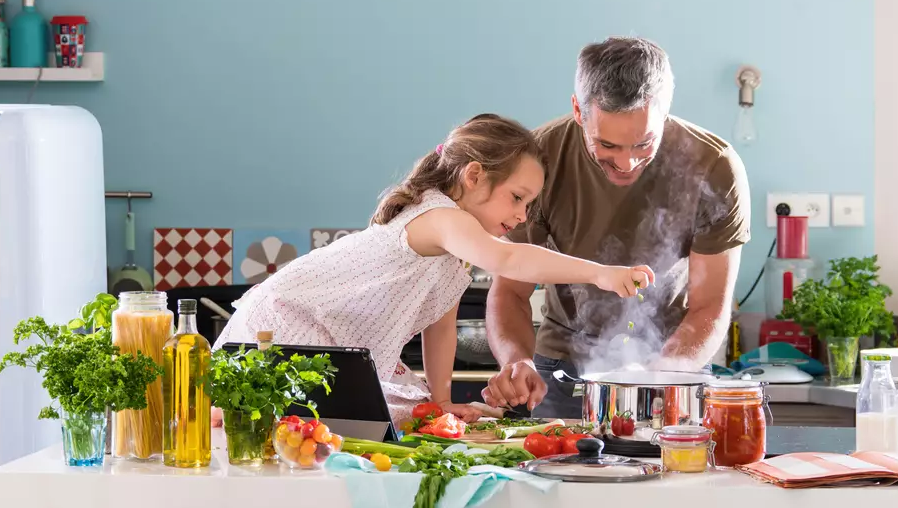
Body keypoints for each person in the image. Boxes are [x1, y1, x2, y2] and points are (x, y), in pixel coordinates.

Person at [213, 113, 655, 429]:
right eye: (517, 198)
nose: (522, 215)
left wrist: (442, 400)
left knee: (389, 421)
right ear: (474, 176)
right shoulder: (442, 217)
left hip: (327, 342)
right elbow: (510, 260)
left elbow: (439, 327)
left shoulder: (453, 248)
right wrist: (601, 273)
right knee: (279, 428)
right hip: (286, 324)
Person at [482, 37, 751, 418]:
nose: (626, 163)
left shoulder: (715, 166)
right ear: (578, 110)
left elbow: (710, 306)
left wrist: (660, 377)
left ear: (665, 111)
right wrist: (516, 361)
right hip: (561, 367)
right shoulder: (539, 160)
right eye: (606, 145)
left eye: (644, 144)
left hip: (673, 363)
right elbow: (509, 290)